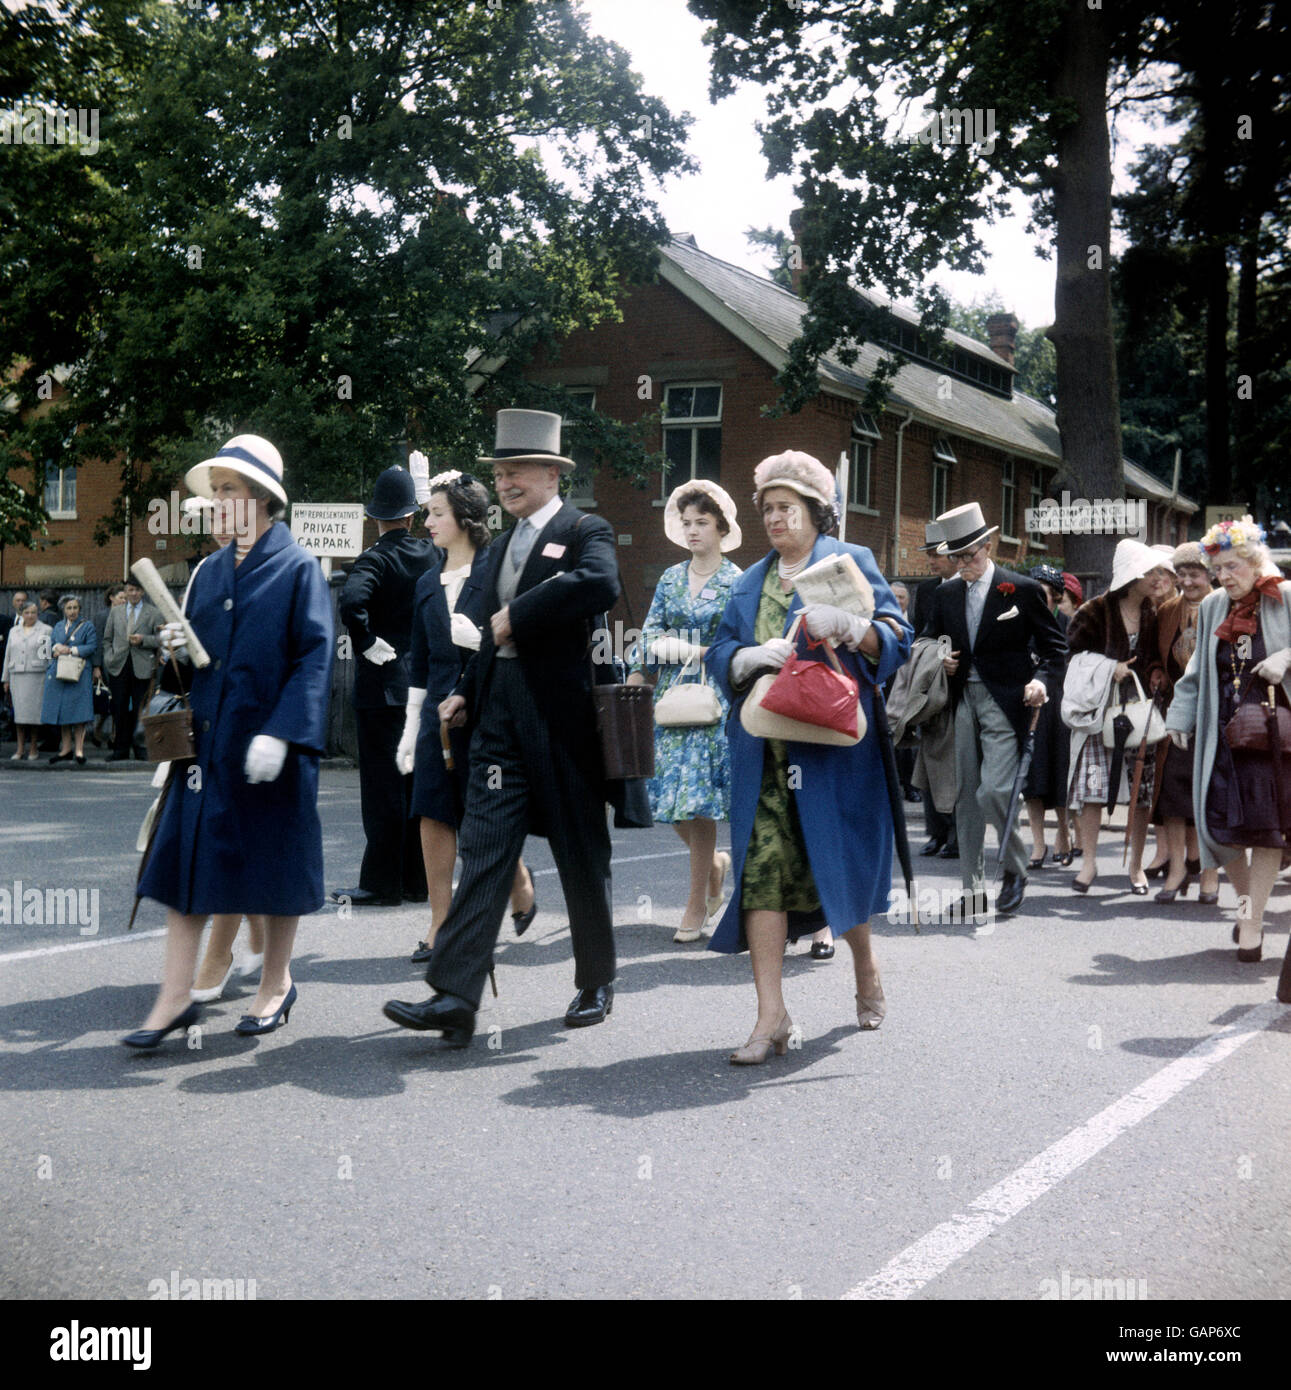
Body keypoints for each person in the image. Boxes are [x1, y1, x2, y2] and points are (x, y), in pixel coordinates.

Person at [383, 409, 620, 1047]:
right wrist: (462, 693)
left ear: (552, 472)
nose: (507, 481)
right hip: (497, 716)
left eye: (517, 470)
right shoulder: (503, 545)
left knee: (578, 854)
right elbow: (488, 633)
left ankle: (596, 978)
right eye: (500, 472)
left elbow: (600, 584)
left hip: (561, 718)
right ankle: (455, 995)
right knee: (485, 847)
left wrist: (525, 612)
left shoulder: (584, 528)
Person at [124, 434, 333, 1048]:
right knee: (185, 867)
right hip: (209, 750)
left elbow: (315, 660)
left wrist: (284, 732)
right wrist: (175, 653)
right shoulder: (209, 571)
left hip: (271, 751)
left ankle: (275, 983)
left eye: (229, 491)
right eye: (215, 492)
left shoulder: (298, 569)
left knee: (274, 866)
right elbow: (194, 673)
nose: (218, 503)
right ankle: (172, 997)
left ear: (263, 499)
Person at [706, 450, 912, 1062]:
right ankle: (770, 1017)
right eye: (767, 508)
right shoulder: (748, 582)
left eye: (786, 507)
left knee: (837, 863)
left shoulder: (851, 563)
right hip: (764, 751)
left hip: (832, 750)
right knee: (761, 875)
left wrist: (851, 628)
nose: (774, 518)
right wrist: (743, 659)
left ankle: (866, 965)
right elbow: (721, 650)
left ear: (815, 512)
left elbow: (897, 637)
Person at [396, 468, 535, 964]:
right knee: (433, 814)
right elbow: (420, 661)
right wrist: (411, 730)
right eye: (429, 513)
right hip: (437, 716)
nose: (428, 523)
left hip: (489, 710)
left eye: (437, 514)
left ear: (465, 518)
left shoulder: (497, 571)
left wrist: (479, 641)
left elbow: (520, 637)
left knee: (485, 814)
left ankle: (518, 875)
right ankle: (441, 921)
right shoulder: (426, 583)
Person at [1165, 518, 1291, 1000]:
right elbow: (1196, 671)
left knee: (1266, 832)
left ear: (1256, 560)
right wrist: (1180, 714)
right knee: (1220, 829)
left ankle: (1252, 922)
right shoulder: (1216, 605)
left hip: (1275, 741)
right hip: (1223, 737)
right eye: (1218, 569)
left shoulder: (1284, 595)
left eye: (1231, 567)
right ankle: (1247, 908)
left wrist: (1286, 658)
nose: (1223, 577)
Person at [920, 503, 1067, 917]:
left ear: (989, 545)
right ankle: (972, 893)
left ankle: (1016, 868)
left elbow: (1056, 650)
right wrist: (940, 658)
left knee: (996, 790)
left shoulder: (1020, 589)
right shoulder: (944, 593)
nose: (963, 564)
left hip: (1007, 701)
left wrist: (1041, 681)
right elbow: (926, 641)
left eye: (970, 554)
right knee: (967, 798)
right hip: (962, 699)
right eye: (956, 556)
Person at [627, 480, 741, 942]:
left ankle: (695, 905)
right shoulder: (672, 578)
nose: (693, 531)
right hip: (672, 698)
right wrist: (638, 677)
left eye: (702, 523)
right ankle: (714, 865)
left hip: (715, 697)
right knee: (670, 802)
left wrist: (701, 651)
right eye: (687, 523)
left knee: (699, 802)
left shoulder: (738, 580)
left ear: (721, 527)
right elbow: (650, 633)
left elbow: (741, 642)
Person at [330, 466, 435, 908]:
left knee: (381, 790)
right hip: (422, 686)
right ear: (411, 517)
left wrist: (367, 640)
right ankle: (417, 880)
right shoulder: (432, 555)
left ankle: (381, 883)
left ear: (377, 518)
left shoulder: (375, 557)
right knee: (414, 788)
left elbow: (352, 600)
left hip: (381, 690)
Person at [1063, 539, 1170, 894]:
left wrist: (1153, 671)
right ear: (1132, 576)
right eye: (1149, 571)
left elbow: (1155, 655)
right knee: (1093, 788)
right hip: (1101, 711)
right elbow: (1073, 660)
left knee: (1140, 788)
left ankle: (1136, 865)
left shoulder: (1152, 613)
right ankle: (1089, 862)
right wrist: (1111, 668)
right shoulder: (1092, 611)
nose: (1156, 577)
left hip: (1139, 712)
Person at [1148, 542, 1220, 905]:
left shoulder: (1226, 606)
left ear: (1211, 574)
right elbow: (1150, 655)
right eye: (1183, 574)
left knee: (1208, 796)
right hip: (1175, 710)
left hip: (1216, 713)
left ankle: (1209, 872)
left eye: (1196, 573)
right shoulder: (1167, 610)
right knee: (1172, 795)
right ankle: (1177, 868)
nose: (1188, 581)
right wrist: (1157, 672)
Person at [910, 522, 959, 857]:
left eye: (936, 553)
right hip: (931, 685)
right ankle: (936, 832)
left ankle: (957, 833)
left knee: (956, 763)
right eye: (928, 553)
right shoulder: (927, 591)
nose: (931, 559)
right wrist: (932, 660)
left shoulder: (970, 587)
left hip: (961, 685)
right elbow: (919, 636)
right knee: (927, 758)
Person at [1022, 564, 1073, 868]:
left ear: (1055, 596)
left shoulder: (1068, 625)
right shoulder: (1019, 625)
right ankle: (1038, 843)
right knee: (1032, 777)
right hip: (1030, 708)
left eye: (1044, 594)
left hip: (1062, 707)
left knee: (1061, 773)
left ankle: (1064, 834)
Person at [103, 579, 161, 761]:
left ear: (143, 592)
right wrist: (109, 657)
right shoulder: (116, 612)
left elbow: (161, 639)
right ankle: (120, 749)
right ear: (125, 592)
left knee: (141, 708)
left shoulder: (153, 613)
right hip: (119, 665)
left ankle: (141, 747)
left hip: (143, 665)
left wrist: (144, 639)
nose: (134, 593)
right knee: (119, 708)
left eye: (137, 590)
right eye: (130, 590)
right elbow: (106, 639)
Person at [41, 595, 98, 765]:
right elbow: (50, 645)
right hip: (60, 673)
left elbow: (92, 646)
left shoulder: (87, 626)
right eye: (68, 608)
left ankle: (79, 750)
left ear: (79, 609)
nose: (72, 611)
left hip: (79, 673)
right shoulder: (58, 626)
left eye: (75, 608)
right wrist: (55, 648)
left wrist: (71, 649)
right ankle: (65, 749)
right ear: (63, 610)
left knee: (79, 714)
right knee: (63, 713)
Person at [3, 601, 49, 759]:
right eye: (27, 613)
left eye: (34, 612)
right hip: (17, 676)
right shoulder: (13, 631)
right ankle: (20, 748)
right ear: (22, 614)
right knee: (19, 715)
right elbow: (8, 655)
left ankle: (33, 748)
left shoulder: (45, 630)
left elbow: (47, 657)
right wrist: (5, 679)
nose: (30, 615)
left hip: (36, 677)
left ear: (38, 613)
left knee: (34, 715)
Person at [91, 584, 125, 748]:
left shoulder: (127, 614)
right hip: (106, 663)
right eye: (121, 597)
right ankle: (99, 731)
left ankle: (115, 735)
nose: (124, 600)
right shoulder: (102, 616)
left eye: (125, 598)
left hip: (123, 662)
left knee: (119, 700)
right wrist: (96, 666)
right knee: (108, 699)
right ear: (111, 598)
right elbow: (97, 641)